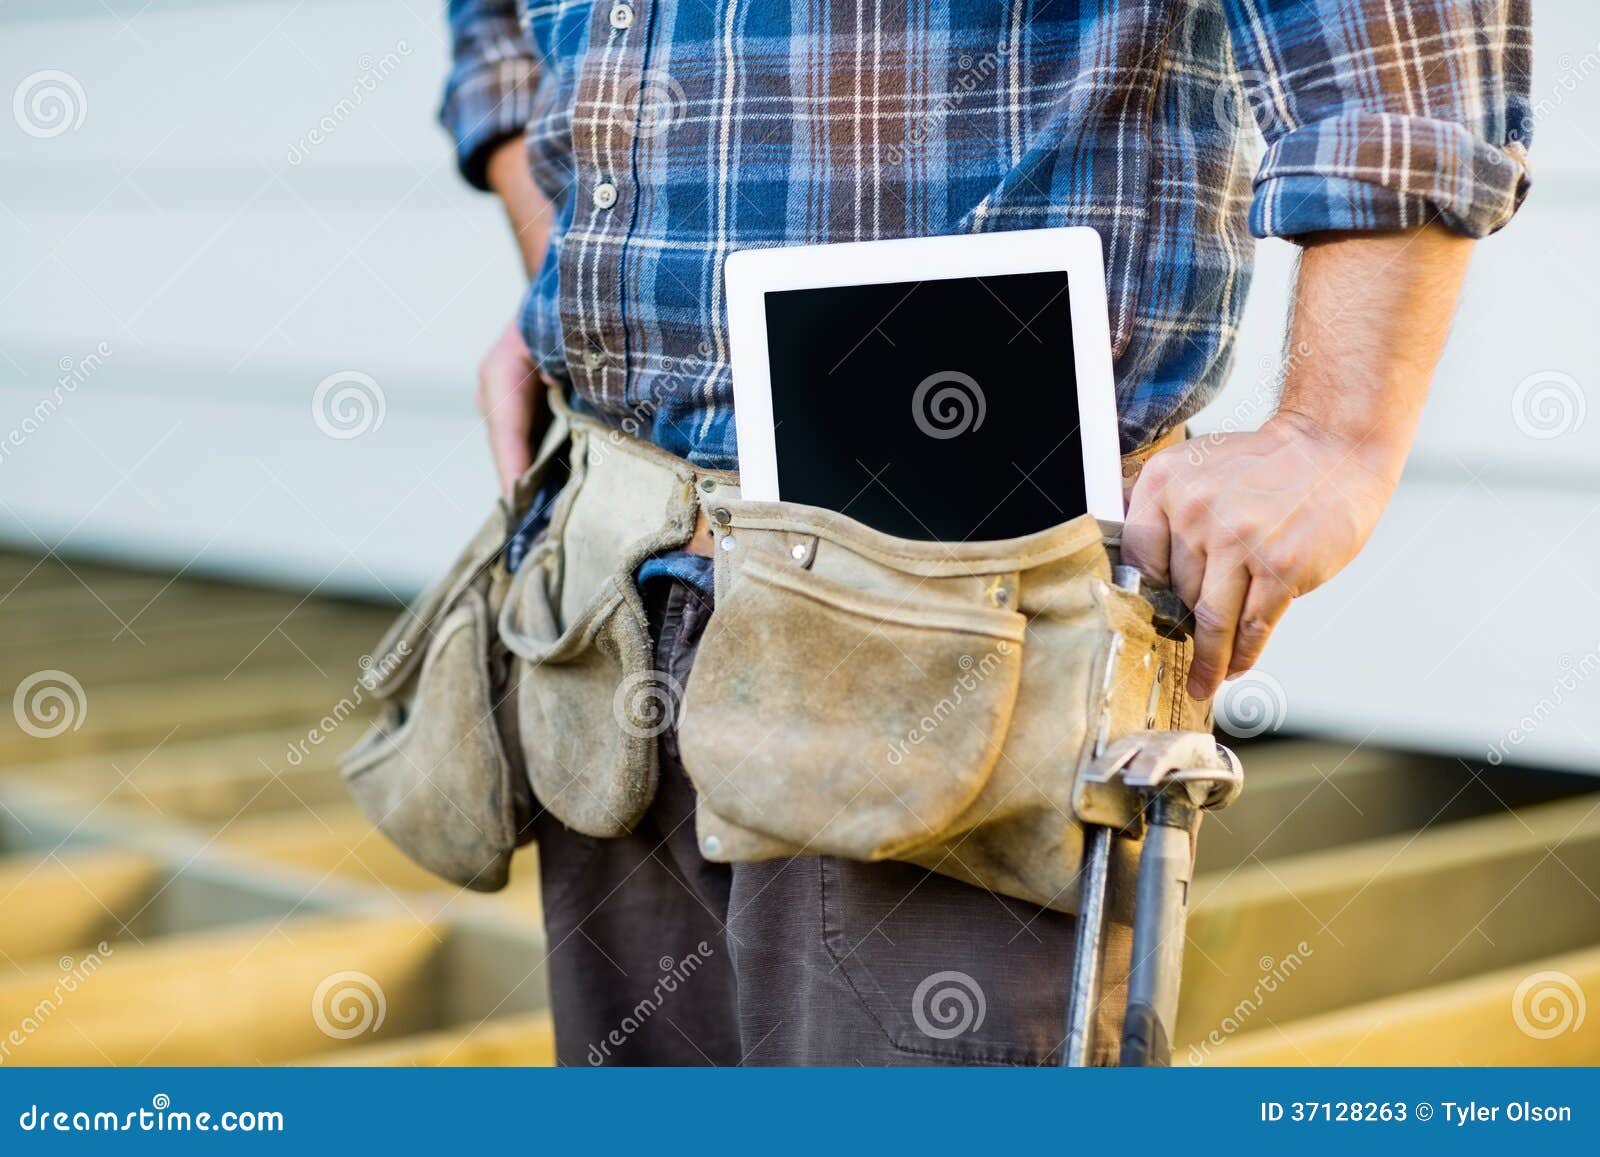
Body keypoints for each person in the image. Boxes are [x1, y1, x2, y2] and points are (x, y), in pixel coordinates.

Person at [441, 0, 1531, 1065]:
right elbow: (492, 35)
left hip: (965, 605)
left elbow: (1401, 48)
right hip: (609, 597)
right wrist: (568, 273)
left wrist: (1337, 431)